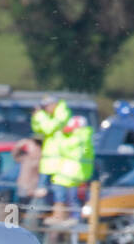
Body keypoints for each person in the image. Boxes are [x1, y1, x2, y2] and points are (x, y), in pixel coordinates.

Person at [30, 95, 93, 232]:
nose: (46, 109)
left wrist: (40, 116)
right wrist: (38, 117)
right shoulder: (79, 134)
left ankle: (63, 216)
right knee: (68, 195)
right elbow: (39, 129)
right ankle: (64, 216)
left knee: (66, 194)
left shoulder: (74, 132)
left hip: (69, 170)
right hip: (67, 169)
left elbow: (50, 132)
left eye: (47, 106)